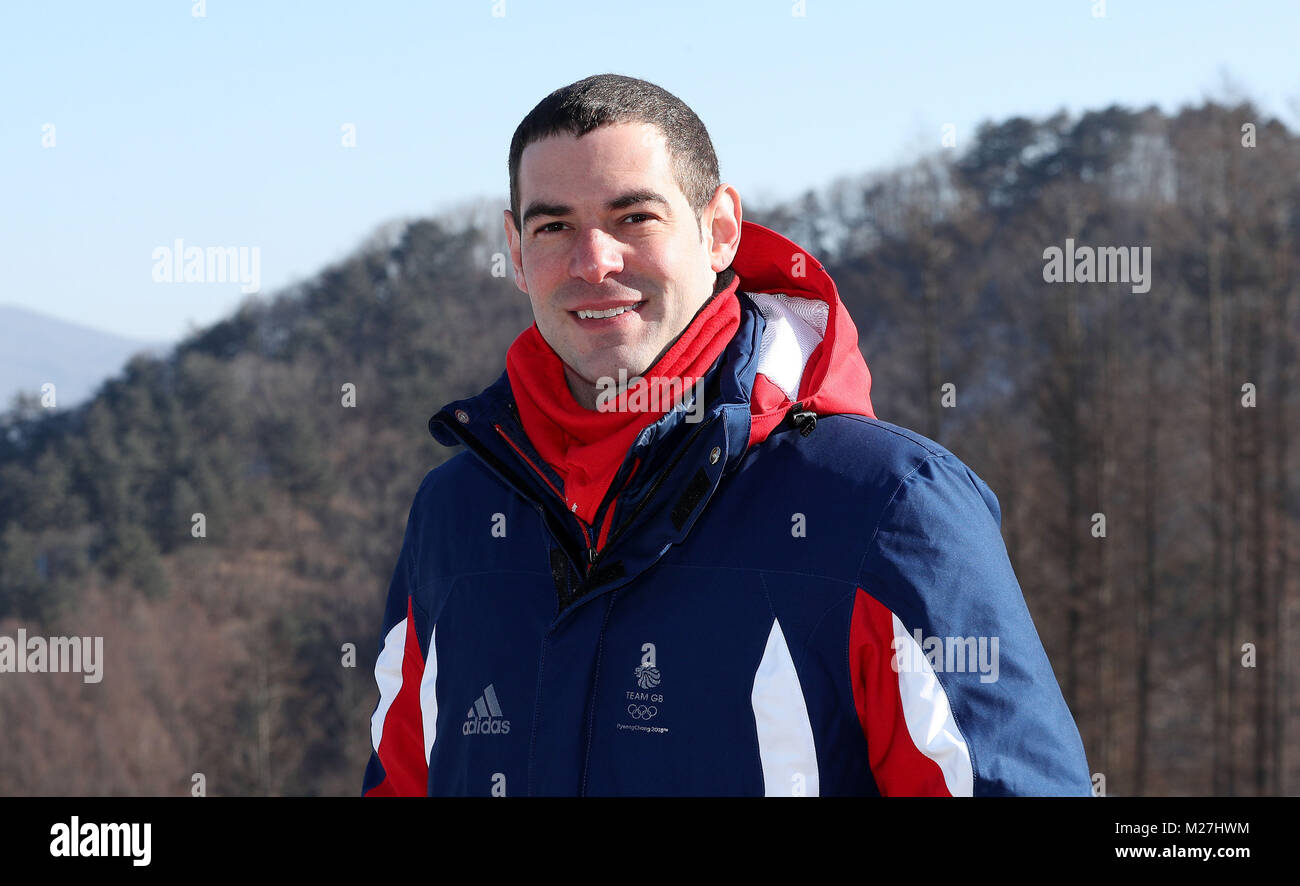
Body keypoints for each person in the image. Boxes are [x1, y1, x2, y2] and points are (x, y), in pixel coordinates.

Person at [362, 73, 1091, 797]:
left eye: (634, 218)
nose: (594, 262)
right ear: (516, 253)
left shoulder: (887, 507)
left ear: (720, 231)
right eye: (554, 226)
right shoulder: (453, 514)